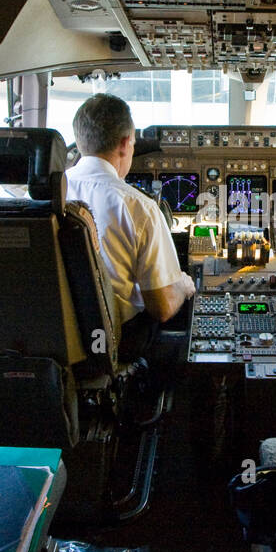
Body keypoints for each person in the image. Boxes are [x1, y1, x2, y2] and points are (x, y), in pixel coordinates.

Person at [65, 93, 196, 361]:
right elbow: (162, 308)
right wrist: (182, 285)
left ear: (80, 141)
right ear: (125, 143)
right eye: (134, 143)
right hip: (114, 341)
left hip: (61, 337)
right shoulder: (139, 207)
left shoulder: (52, 193)